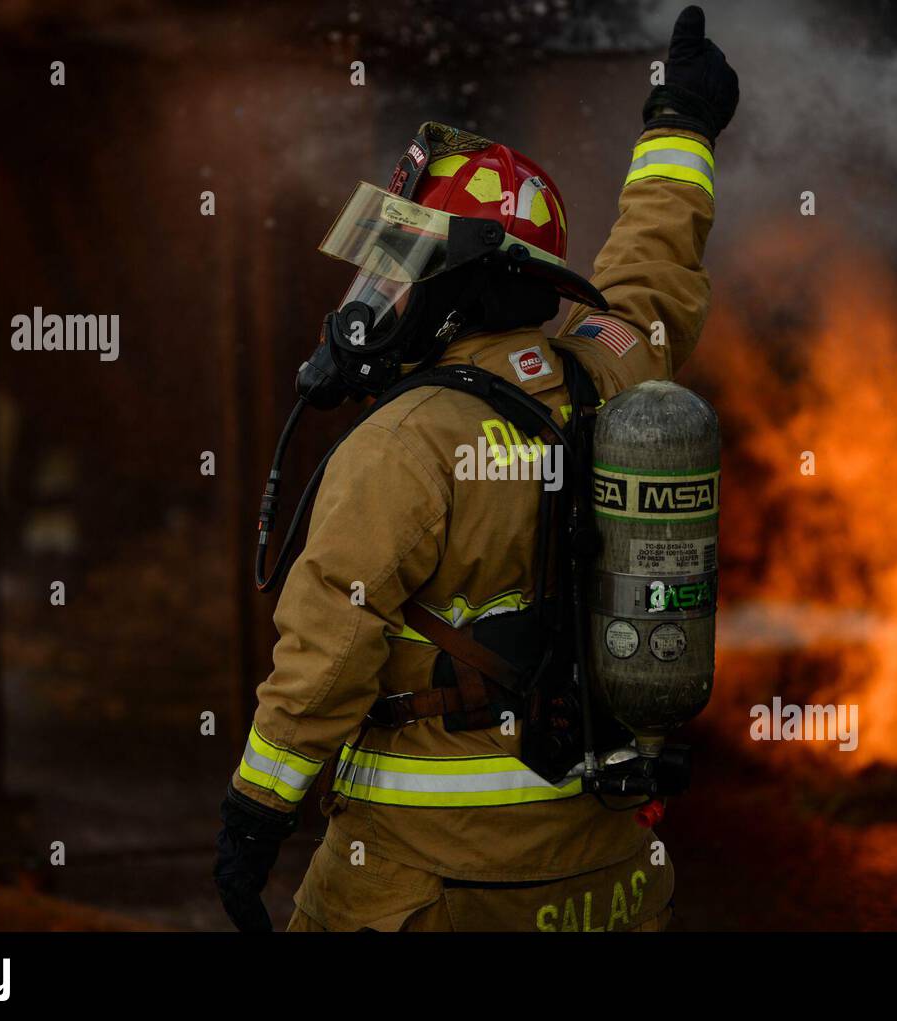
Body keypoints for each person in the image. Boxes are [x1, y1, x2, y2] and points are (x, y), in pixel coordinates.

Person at [214, 5, 739, 932]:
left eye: (406, 264)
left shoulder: (403, 442)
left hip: (429, 884)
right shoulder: (610, 367)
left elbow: (326, 651)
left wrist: (254, 819)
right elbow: (650, 275)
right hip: (608, 882)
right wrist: (679, 128)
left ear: (467, 282)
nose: (381, 295)